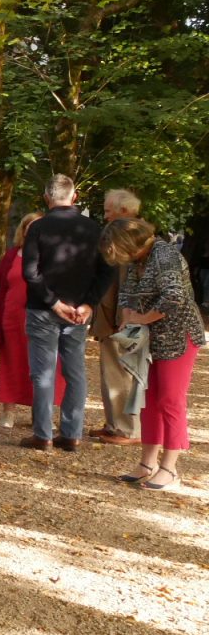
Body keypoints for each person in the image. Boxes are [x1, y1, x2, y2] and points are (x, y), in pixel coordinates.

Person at [102, 218, 204, 491]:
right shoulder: (138, 260)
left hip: (178, 335)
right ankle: (147, 463)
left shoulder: (165, 255)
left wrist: (142, 317)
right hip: (152, 339)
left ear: (128, 243)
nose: (117, 257)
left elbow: (174, 298)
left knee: (170, 399)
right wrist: (127, 316)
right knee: (147, 399)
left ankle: (170, 469)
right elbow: (126, 293)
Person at [19, 175, 112, 452]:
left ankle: (43, 433)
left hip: (44, 309)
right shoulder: (94, 229)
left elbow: (30, 273)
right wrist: (89, 304)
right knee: (75, 372)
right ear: (74, 196)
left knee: (43, 373)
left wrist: (53, 302)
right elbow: (107, 271)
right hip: (79, 311)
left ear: (47, 197)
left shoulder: (37, 228)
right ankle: (71, 433)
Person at [0, 212, 65, 430]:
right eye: (29, 227)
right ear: (23, 230)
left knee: (47, 365)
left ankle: (43, 414)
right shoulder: (12, 255)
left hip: (44, 316)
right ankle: (9, 411)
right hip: (13, 317)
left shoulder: (53, 256)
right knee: (12, 363)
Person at [90, 190, 143, 444]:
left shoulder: (129, 234)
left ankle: (127, 429)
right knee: (110, 372)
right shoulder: (121, 231)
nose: (105, 212)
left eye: (108, 208)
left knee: (123, 372)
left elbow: (126, 281)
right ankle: (114, 424)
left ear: (123, 210)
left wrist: (123, 319)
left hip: (121, 319)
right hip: (112, 316)